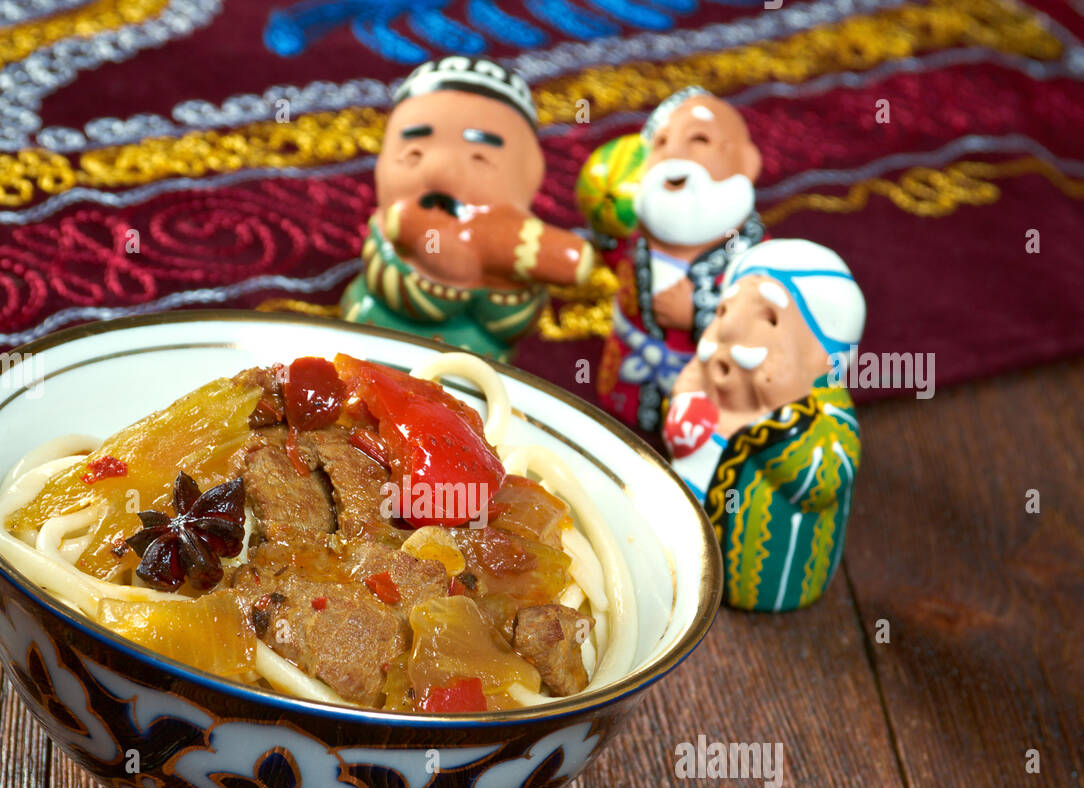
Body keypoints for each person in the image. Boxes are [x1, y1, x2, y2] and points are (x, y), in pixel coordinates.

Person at [342, 55, 593, 361]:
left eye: (479, 157)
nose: (440, 171)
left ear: (529, 174)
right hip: (379, 342)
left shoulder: (520, 244)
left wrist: (501, 280)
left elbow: (512, 324)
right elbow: (390, 283)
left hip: (473, 359)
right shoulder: (387, 233)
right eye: (413, 153)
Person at [664, 239, 865, 612]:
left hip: (765, 571)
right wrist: (687, 396)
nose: (727, 331)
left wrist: (786, 403)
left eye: (769, 318)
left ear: (822, 357)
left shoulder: (830, 413)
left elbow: (823, 481)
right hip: (682, 550)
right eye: (724, 310)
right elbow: (680, 439)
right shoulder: (704, 378)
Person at [576, 86, 763, 432]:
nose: (675, 155)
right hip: (629, 380)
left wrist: (699, 315)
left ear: (746, 162)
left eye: (699, 140)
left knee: (695, 448)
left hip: (705, 394)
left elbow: (763, 321)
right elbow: (611, 255)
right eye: (661, 143)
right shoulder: (636, 240)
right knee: (616, 437)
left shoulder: (756, 257)